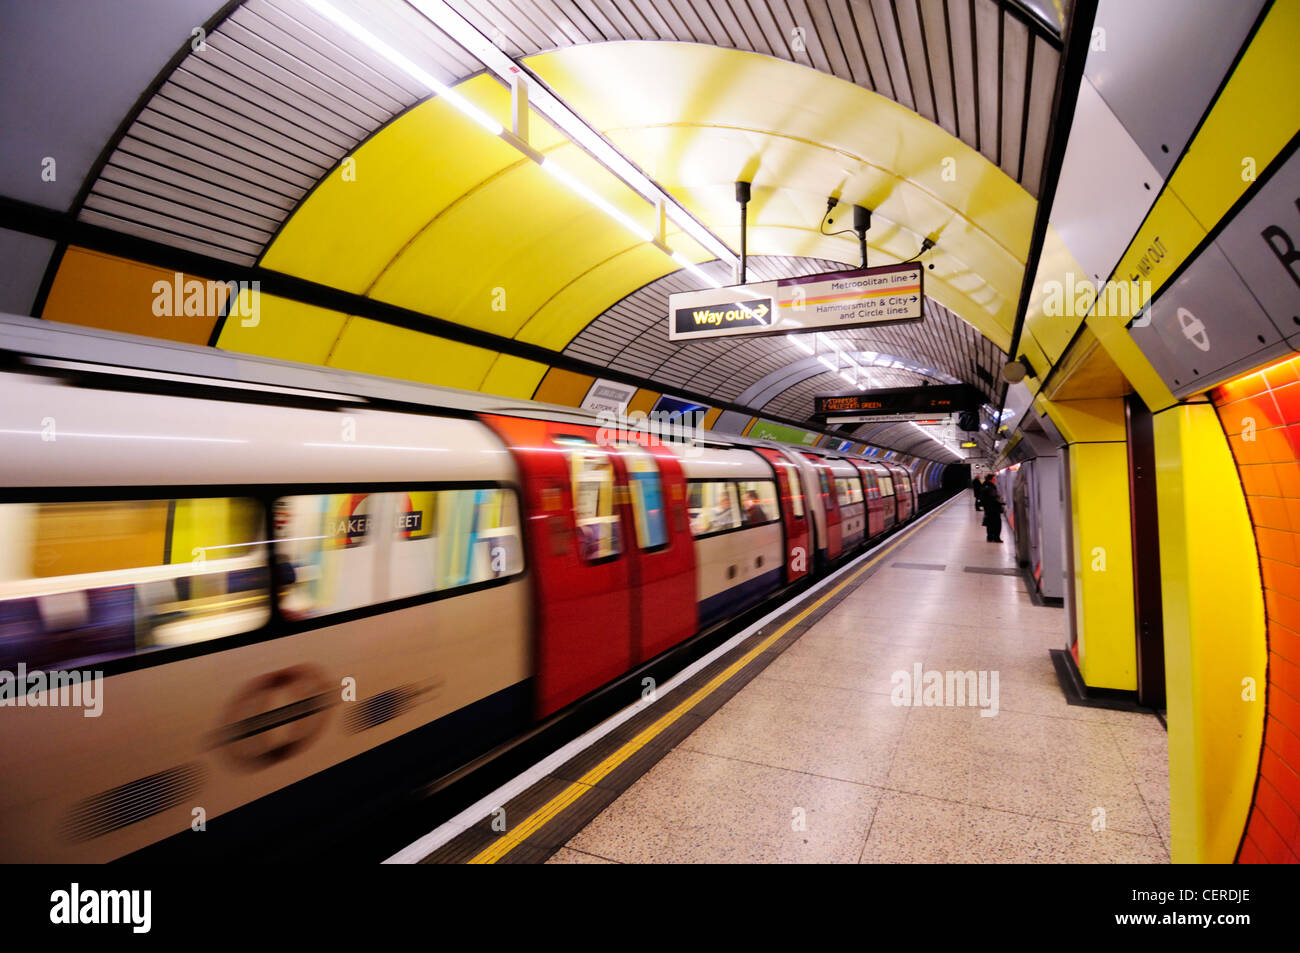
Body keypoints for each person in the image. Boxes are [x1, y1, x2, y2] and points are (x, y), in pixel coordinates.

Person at [981, 476, 1003, 542]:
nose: (995, 480)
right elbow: (994, 498)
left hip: (988, 509)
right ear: (991, 479)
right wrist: (1001, 503)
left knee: (989, 524)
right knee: (997, 523)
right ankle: (996, 538)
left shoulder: (984, 486)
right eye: (994, 478)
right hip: (994, 509)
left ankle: (989, 537)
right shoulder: (991, 487)